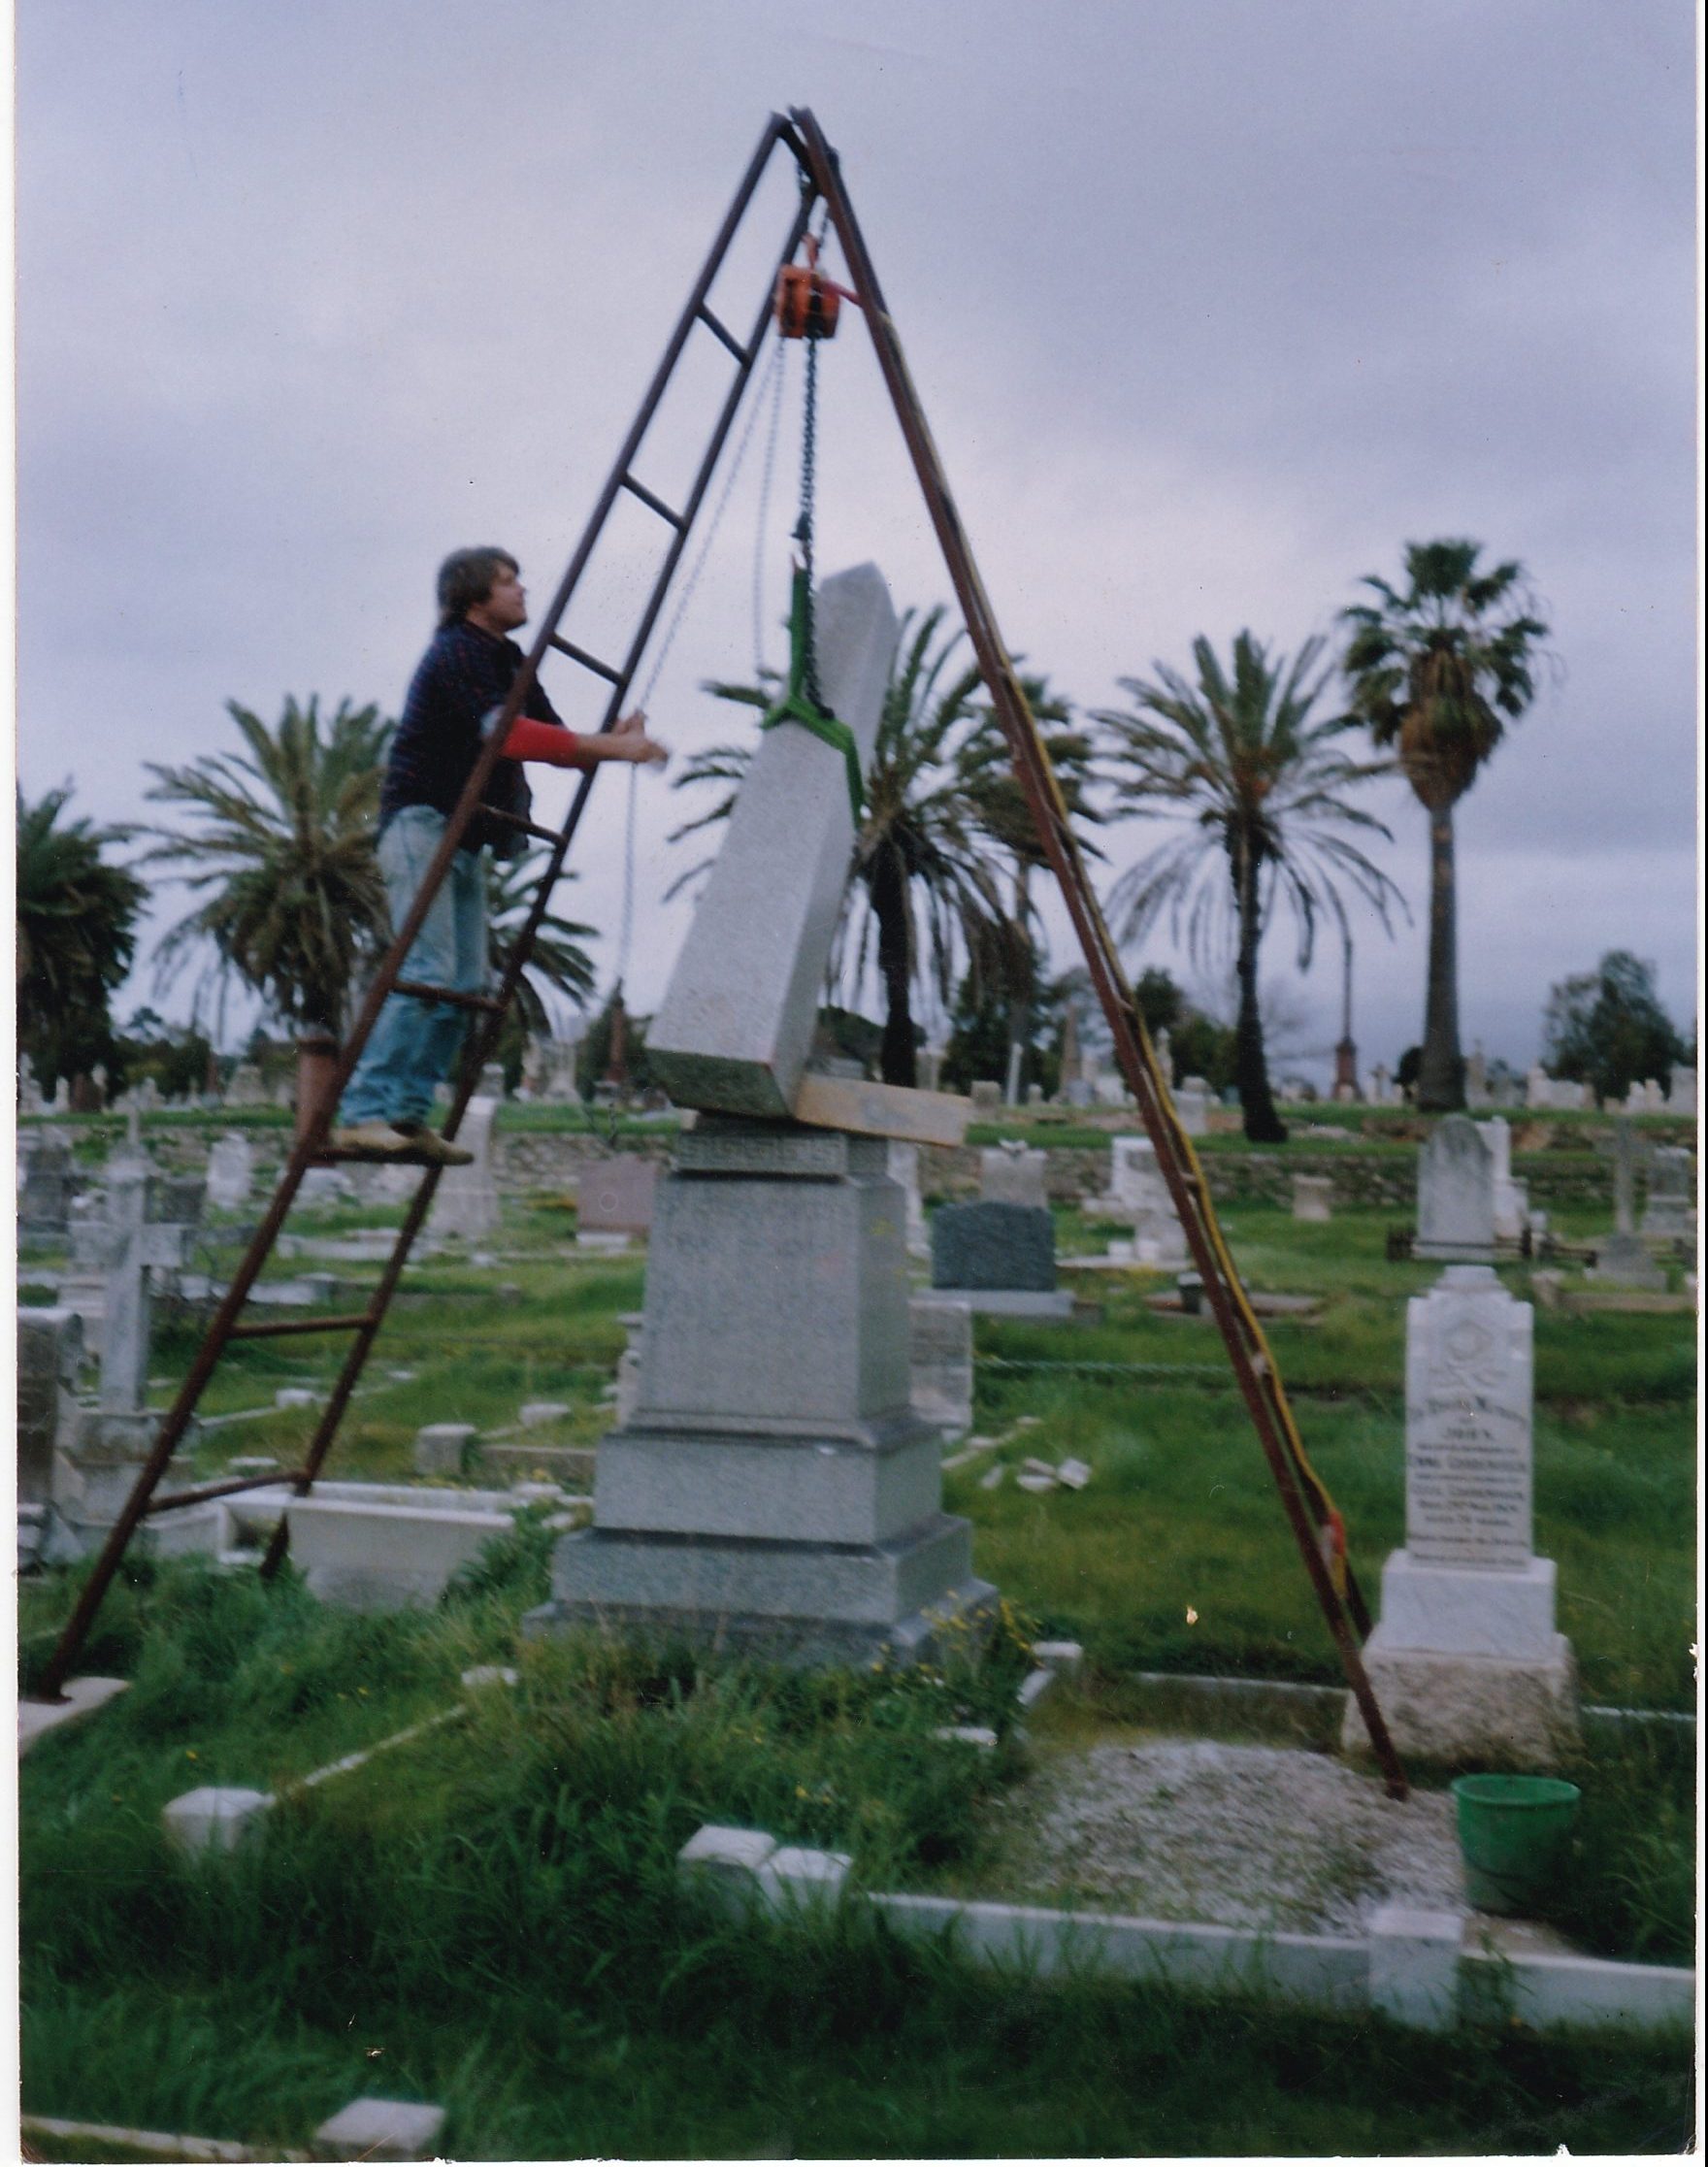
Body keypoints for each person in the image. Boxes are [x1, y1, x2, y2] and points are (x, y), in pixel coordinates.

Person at [332, 546, 668, 1163]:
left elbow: (559, 744)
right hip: (422, 821)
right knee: (428, 970)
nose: (522, 590)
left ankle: (406, 1115)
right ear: (473, 598)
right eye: (508, 582)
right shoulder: (458, 650)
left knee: (465, 983)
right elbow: (509, 736)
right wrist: (615, 749)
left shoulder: (509, 660)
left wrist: (613, 740)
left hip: (465, 834)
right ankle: (362, 1113)